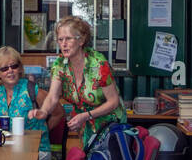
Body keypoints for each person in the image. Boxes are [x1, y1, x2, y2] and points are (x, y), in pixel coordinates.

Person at [29, 15, 126, 147]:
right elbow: (52, 97)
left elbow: (113, 102)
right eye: (60, 39)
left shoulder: (98, 65)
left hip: (111, 128)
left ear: (81, 40)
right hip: (86, 128)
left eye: (68, 39)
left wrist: (86, 116)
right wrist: (44, 111)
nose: (63, 44)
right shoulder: (60, 65)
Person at [0, 46, 53, 160]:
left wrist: (40, 134)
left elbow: (58, 113)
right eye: (4, 68)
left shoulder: (33, 91)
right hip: (7, 150)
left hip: (38, 150)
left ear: (20, 69)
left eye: (14, 66)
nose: (10, 71)